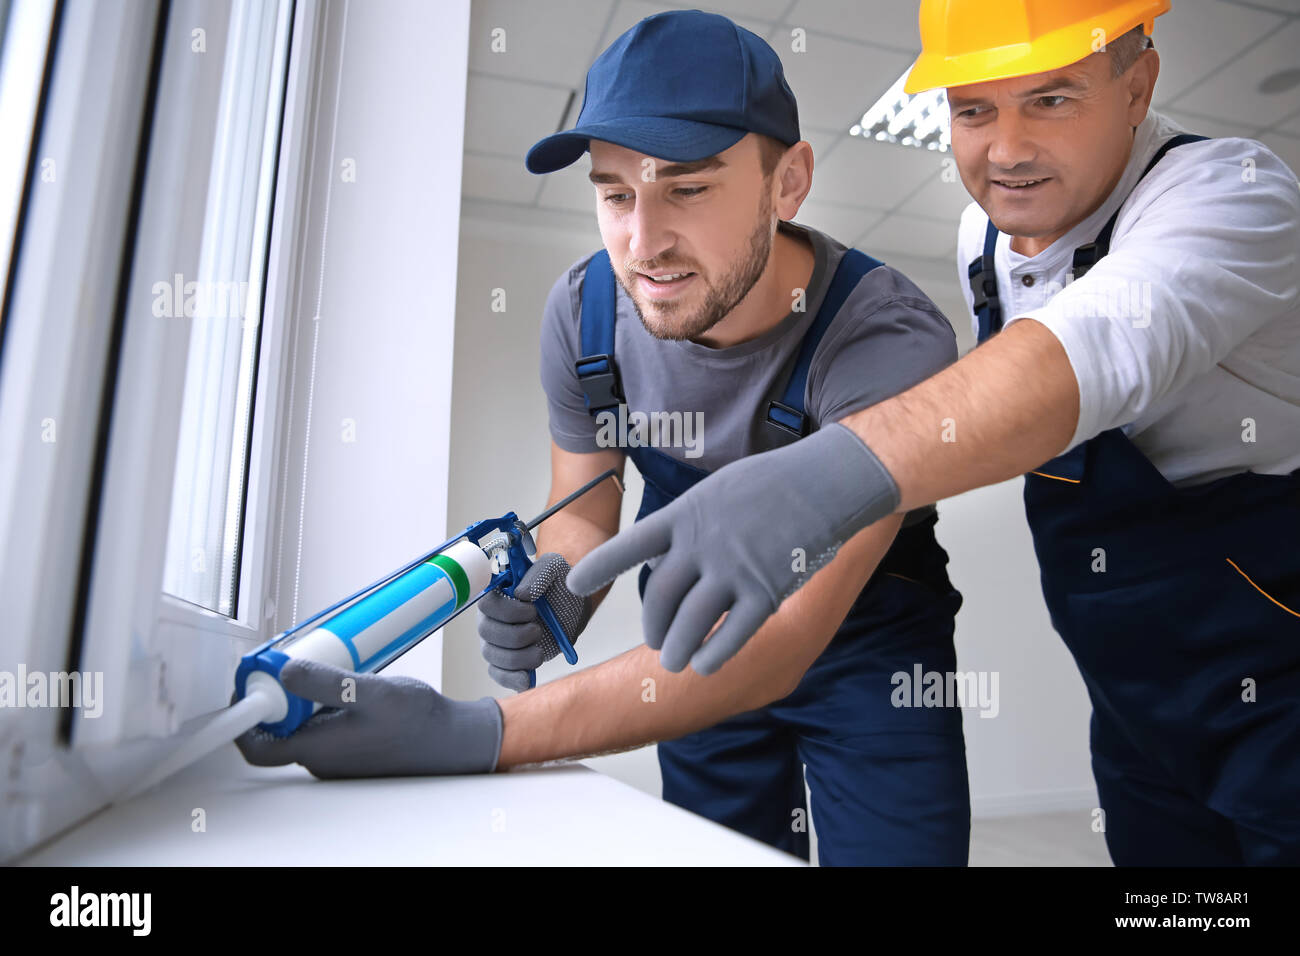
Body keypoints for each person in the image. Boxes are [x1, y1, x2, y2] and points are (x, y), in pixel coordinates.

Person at [568, 0, 1300, 865]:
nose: (1008, 149)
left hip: (1279, 672)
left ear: (1137, 85)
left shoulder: (1230, 195)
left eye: (1053, 99)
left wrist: (825, 477)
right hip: (1135, 697)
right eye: (972, 109)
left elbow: (1092, 350)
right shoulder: (984, 237)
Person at [237, 10, 973, 866]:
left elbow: (779, 645)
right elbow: (585, 505)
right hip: (687, 637)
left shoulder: (883, 337)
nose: (643, 242)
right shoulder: (584, 317)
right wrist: (566, 580)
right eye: (616, 193)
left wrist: (480, 731)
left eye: (687, 189)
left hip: (870, 653)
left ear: (788, 182)